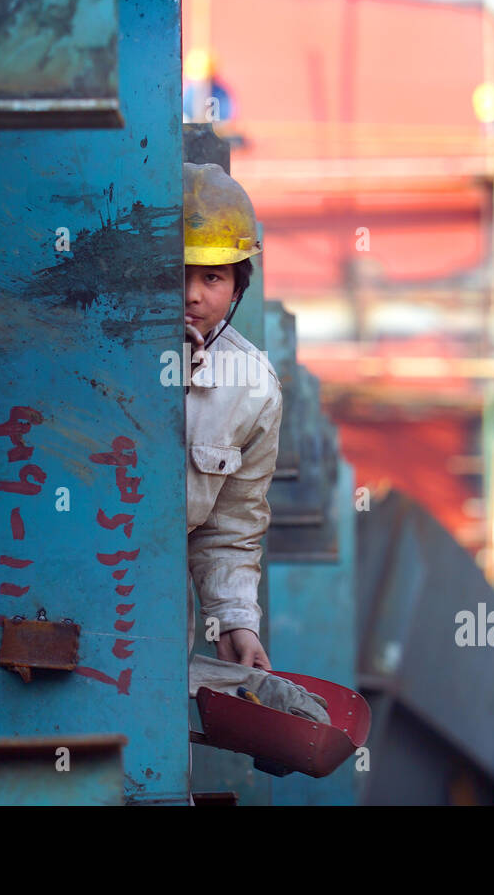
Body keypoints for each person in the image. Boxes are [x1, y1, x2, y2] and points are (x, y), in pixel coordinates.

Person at [182, 161, 281, 671]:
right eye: (176, 274)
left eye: (213, 277)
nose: (192, 294)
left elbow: (229, 527)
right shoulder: (82, 351)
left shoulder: (253, 389)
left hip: (147, 612)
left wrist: (236, 618)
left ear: (238, 289)